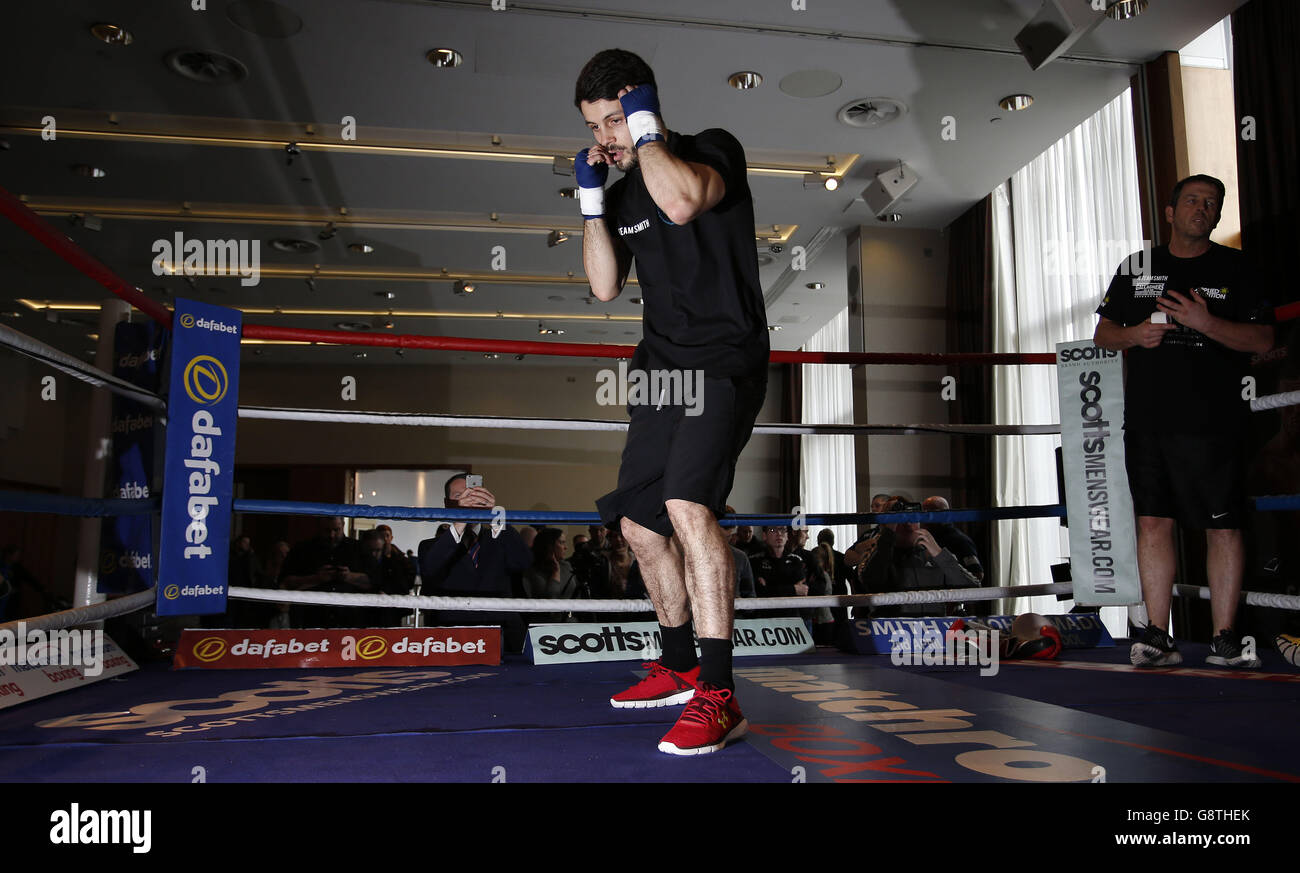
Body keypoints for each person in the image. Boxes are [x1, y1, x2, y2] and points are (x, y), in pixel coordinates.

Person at [577, 48, 768, 754]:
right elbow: (603, 286)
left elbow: (684, 199)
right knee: (637, 525)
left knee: (689, 507)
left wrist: (645, 128)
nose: (604, 139)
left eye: (610, 120)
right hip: (660, 368)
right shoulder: (624, 190)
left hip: (725, 360)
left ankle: (720, 695)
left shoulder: (709, 151)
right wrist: (592, 203)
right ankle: (680, 661)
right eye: (594, 127)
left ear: (638, 105)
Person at [1094, 174, 1274, 669]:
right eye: (1193, 200)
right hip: (1150, 419)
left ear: (1217, 216)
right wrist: (1134, 335)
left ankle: (1225, 638)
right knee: (1152, 522)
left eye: (1212, 204)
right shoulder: (1137, 267)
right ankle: (1156, 633)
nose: (1203, 209)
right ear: (1170, 212)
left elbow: (1262, 341)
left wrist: (1205, 323)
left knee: (1223, 527)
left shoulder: (1237, 268)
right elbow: (1103, 333)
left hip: (1215, 420)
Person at [417, 473, 531, 652]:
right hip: (454, 638)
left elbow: (523, 562)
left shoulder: (499, 535)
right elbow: (431, 570)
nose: (467, 500)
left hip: (504, 635)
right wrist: (460, 521)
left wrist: (494, 514)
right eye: (459, 496)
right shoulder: (430, 546)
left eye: (472, 494)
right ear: (448, 504)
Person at [850, 497, 981, 620]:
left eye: (913, 516)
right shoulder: (876, 553)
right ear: (887, 525)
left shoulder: (935, 554)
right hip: (893, 636)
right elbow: (871, 582)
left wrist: (940, 554)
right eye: (900, 519)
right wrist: (887, 536)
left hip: (933, 634)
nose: (908, 523)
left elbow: (974, 591)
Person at [280, 517, 368, 627]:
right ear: (319, 526)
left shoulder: (359, 548)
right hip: (310, 618)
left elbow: (374, 582)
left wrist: (349, 577)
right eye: (327, 530)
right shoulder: (302, 549)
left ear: (343, 525)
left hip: (350, 619)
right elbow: (286, 583)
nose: (332, 535)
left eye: (336, 530)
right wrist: (316, 578)